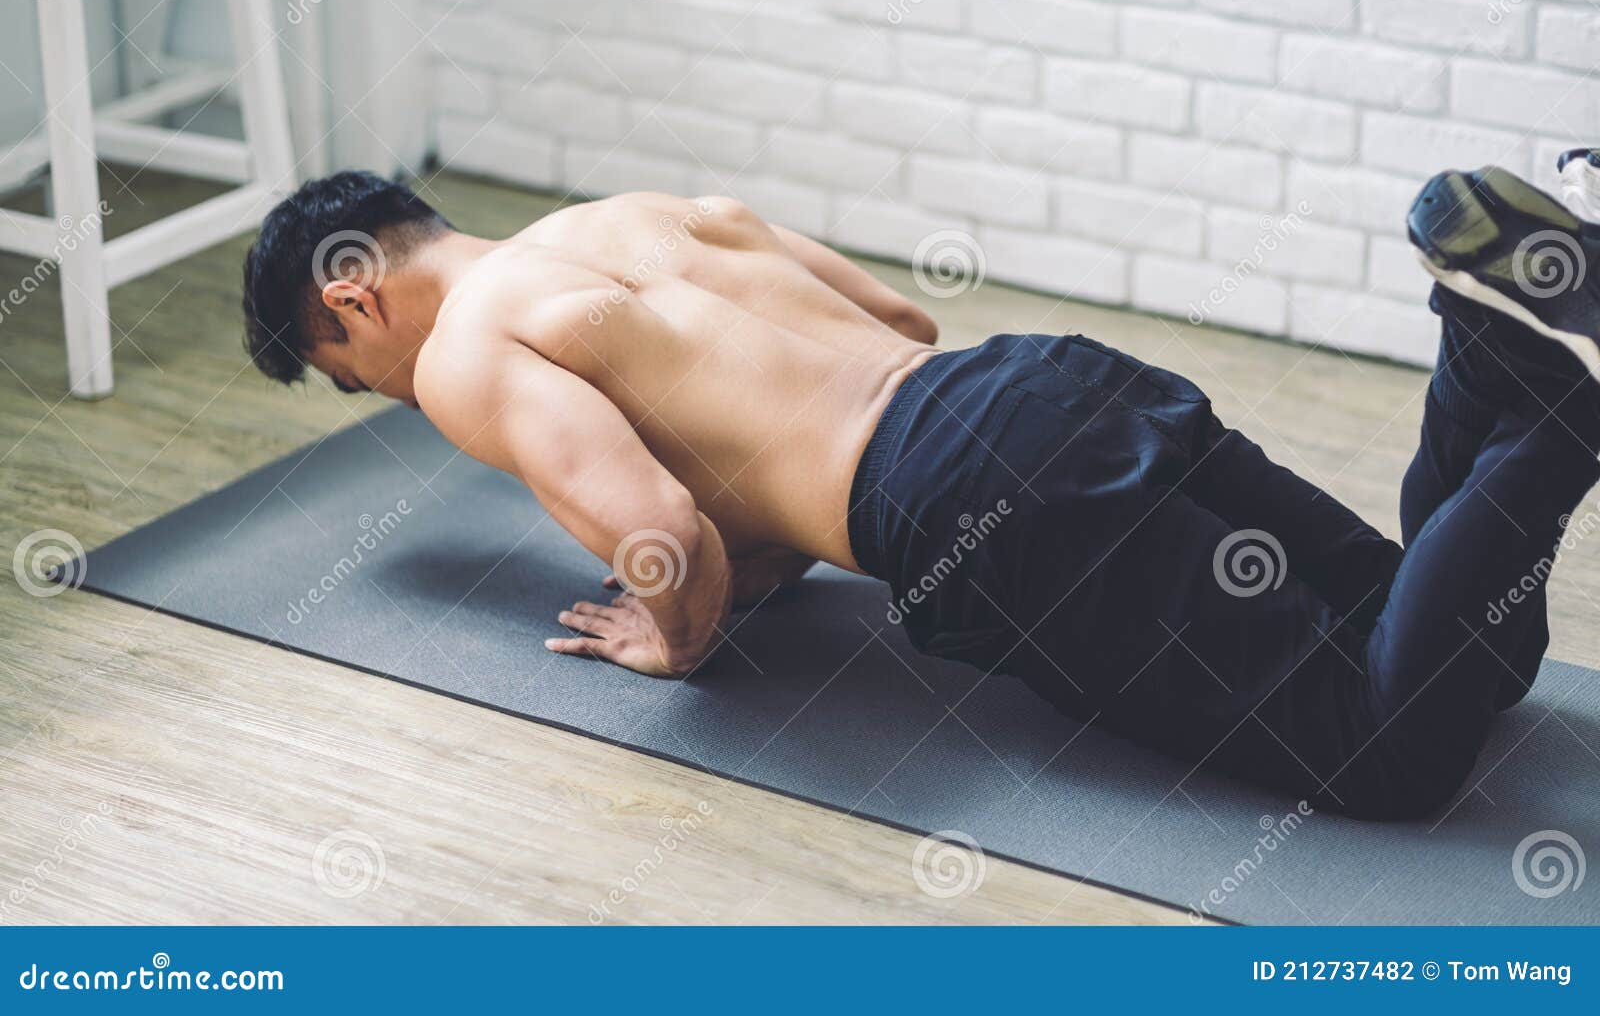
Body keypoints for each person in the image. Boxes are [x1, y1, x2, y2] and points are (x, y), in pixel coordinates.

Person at [242, 160, 1600, 820]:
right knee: (1480, 644)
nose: (392, 397)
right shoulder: (634, 214)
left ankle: (1546, 423)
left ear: (352, 299)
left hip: (978, 497)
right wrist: (756, 532)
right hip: (1052, 383)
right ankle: (1480, 373)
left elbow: (662, 535)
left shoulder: (467, 352)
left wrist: (668, 631)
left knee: (1393, 750)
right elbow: (899, 317)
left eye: (355, 377)